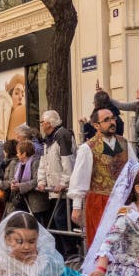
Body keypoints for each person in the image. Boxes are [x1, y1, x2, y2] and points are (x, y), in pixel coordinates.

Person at [69, 107, 137, 249]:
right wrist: (76, 207)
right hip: (99, 201)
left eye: (113, 118)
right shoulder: (88, 148)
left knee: (124, 243)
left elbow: (134, 170)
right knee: (101, 244)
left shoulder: (124, 143)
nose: (112, 122)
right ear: (96, 126)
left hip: (123, 200)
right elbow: (80, 178)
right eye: (107, 120)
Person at [37, 110, 77, 258]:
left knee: (61, 219)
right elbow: (44, 162)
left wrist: (64, 182)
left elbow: (68, 161)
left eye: (42, 122)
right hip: (53, 188)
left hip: (62, 188)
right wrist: (41, 180)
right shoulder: (48, 139)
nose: (41, 125)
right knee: (56, 219)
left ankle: (71, 251)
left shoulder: (62, 135)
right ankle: (63, 252)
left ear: (48, 123)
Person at [100, 81, 139, 159]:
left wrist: (133, 122)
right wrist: (105, 95)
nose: (137, 90)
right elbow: (120, 105)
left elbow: (138, 127)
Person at [0, 73, 27, 140]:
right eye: (16, 93)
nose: (20, 97)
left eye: (23, 95)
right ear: (10, 95)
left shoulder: (22, 111)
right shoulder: (4, 114)